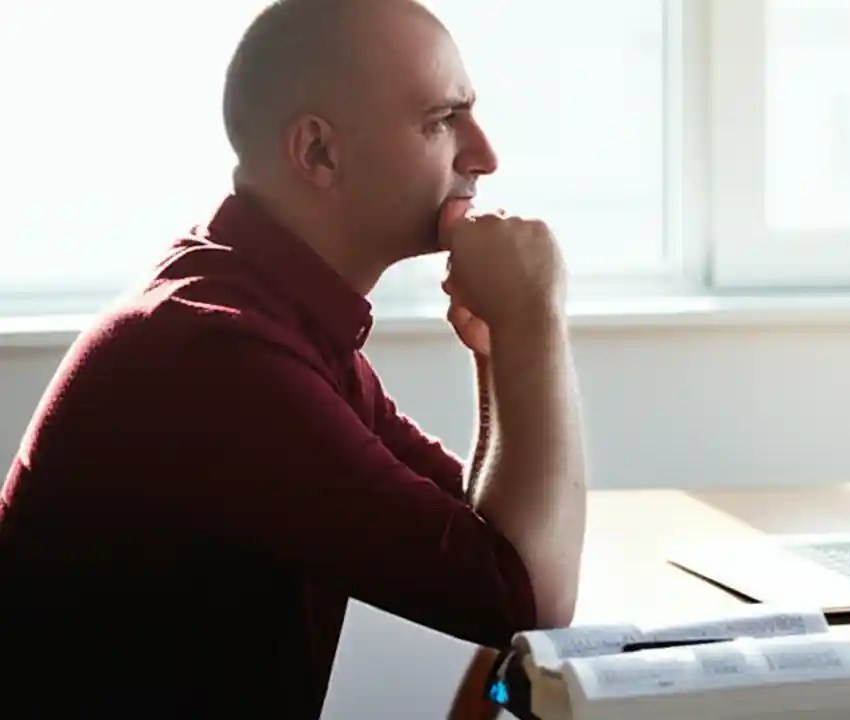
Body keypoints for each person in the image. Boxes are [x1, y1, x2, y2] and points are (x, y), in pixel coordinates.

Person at [0, 0, 587, 716]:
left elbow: (482, 544)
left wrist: (500, 353)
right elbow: (523, 607)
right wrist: (535, 320)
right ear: (317, 152)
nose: (484, 155)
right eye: (441, 120)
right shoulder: (212, 355)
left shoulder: (267, 312)